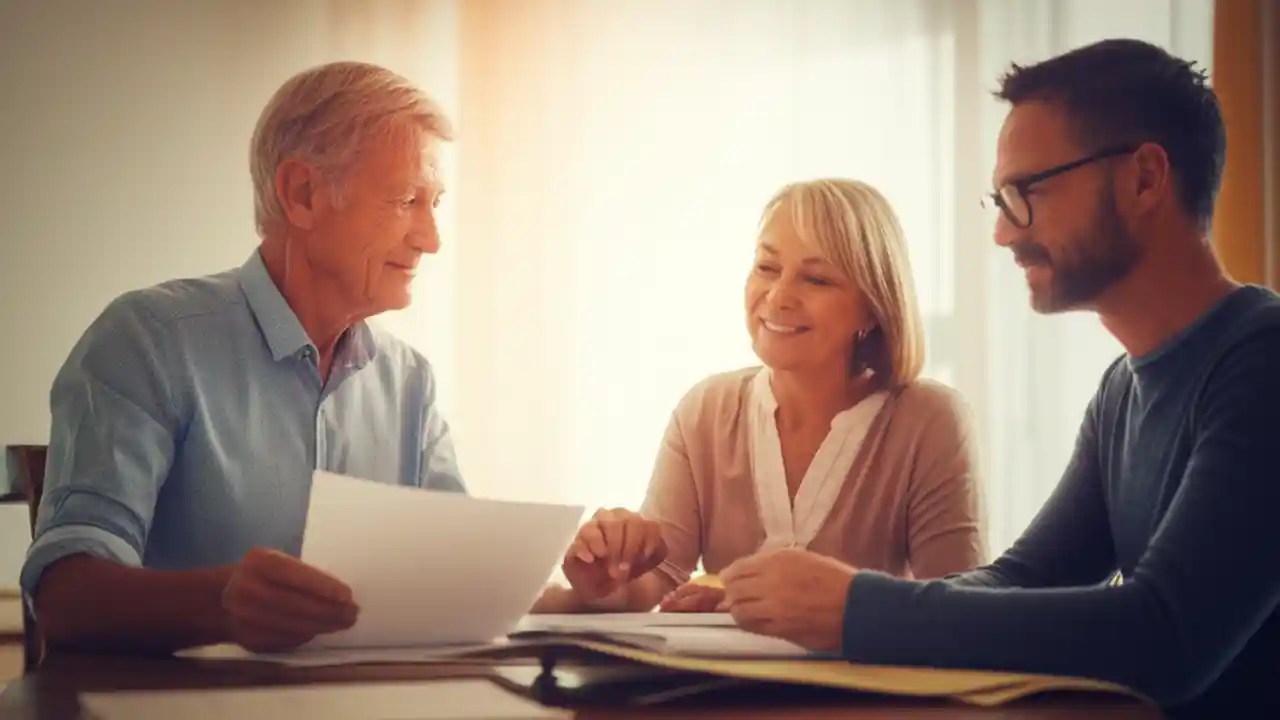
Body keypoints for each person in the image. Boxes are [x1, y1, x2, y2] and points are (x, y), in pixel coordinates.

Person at [713, 39, 1280, 719]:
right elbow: (1025, 579)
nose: (1004, 235)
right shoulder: (1121, 392)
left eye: (1025, 193)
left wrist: (858, 608)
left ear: (1145, 179)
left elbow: (1167, 635)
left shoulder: (1263, 362)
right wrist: (799, 600)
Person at [21, 61, 464, 654]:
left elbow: (461, 583)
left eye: (435, 203)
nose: (431, 238)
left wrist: (593, 595)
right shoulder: (149, 339)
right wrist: (218, 603)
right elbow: (63, 593)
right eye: (408, 199)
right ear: (302, 194)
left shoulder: (412, 383)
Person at [535, 178, 986, 614]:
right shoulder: (706, 411)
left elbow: (956, 609)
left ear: (871, 307)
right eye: (767, 267)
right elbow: (657, 578)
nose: (778, 296)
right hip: (717, 691)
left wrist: (796, 603)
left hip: (865, 692)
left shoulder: (929, 421)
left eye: (817, 279)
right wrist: (607, 578)